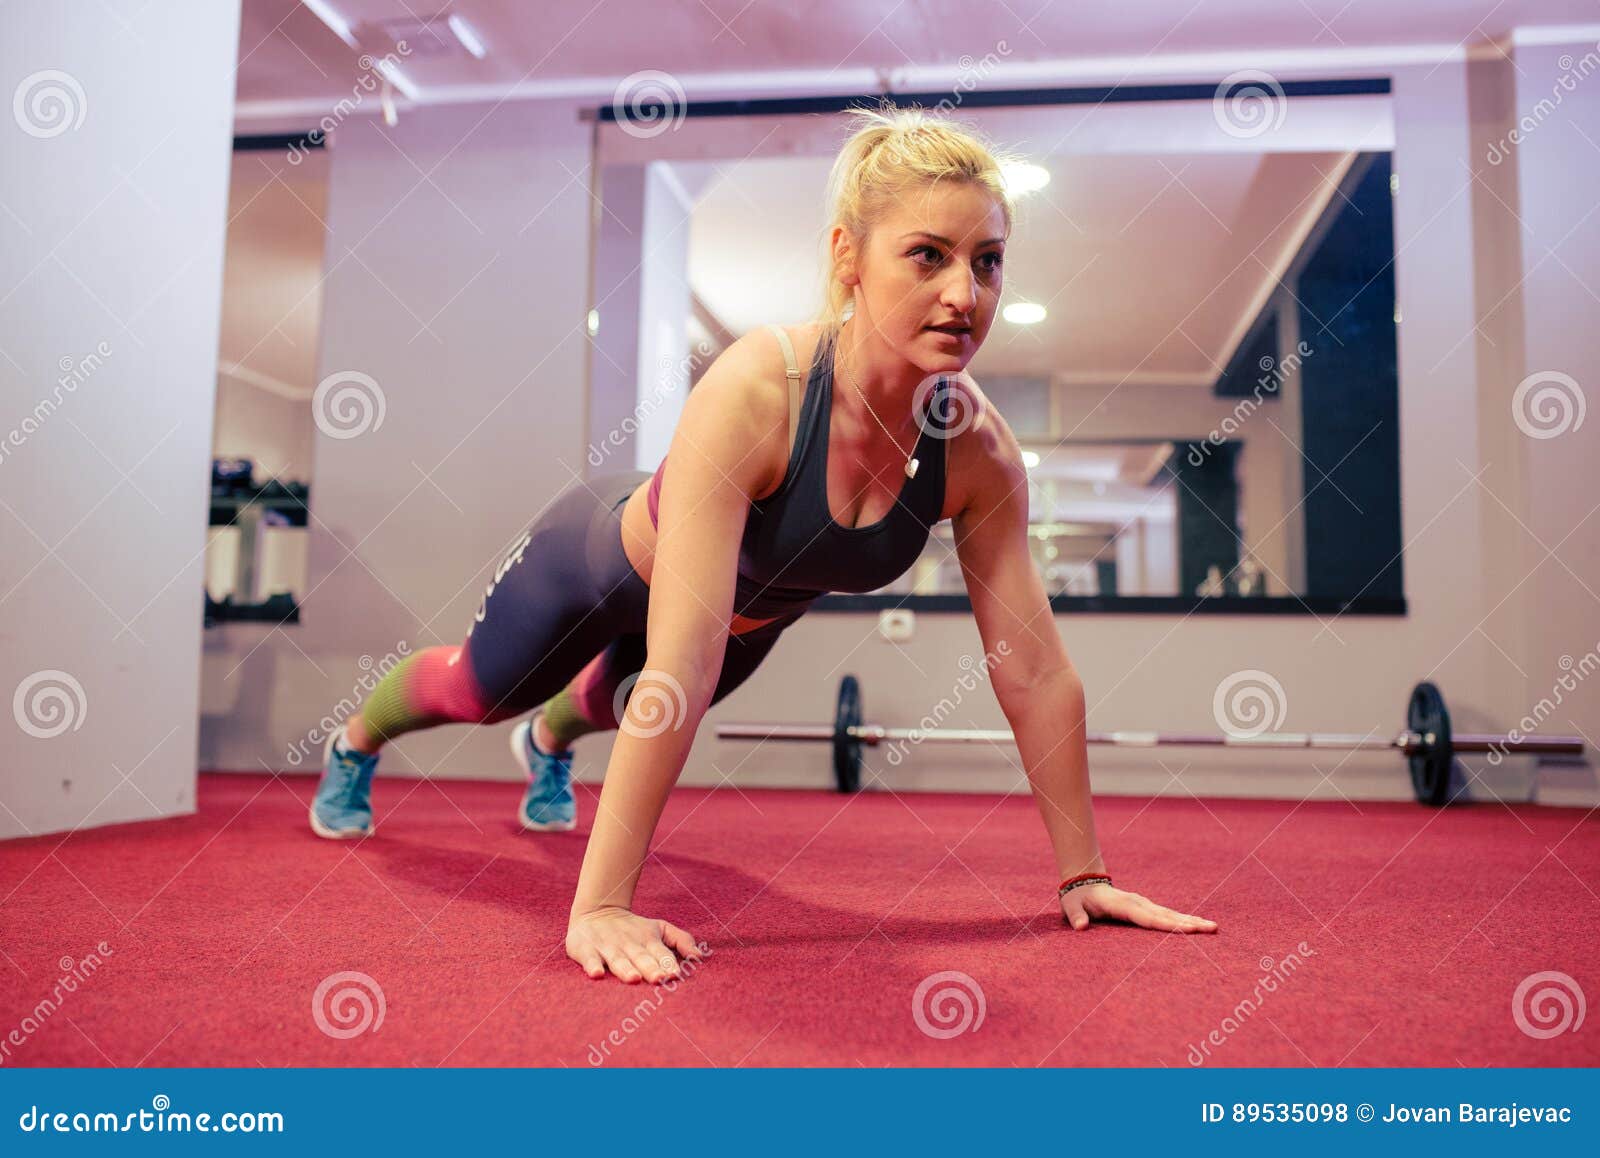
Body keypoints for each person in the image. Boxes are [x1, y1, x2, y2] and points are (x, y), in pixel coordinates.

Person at [308, 103, 1218, 985]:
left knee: (619, 706)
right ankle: (354, 741)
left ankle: (552, 744)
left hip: (744, 620)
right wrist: (602, 906)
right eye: (928, 256)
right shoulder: (761, 389)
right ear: (848, 258)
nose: (963, 293)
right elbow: (680, 663)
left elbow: (1035, 670)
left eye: (988, 262)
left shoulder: (977, 453)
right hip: (595, 567)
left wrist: (1083, 873)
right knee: (482, 691)